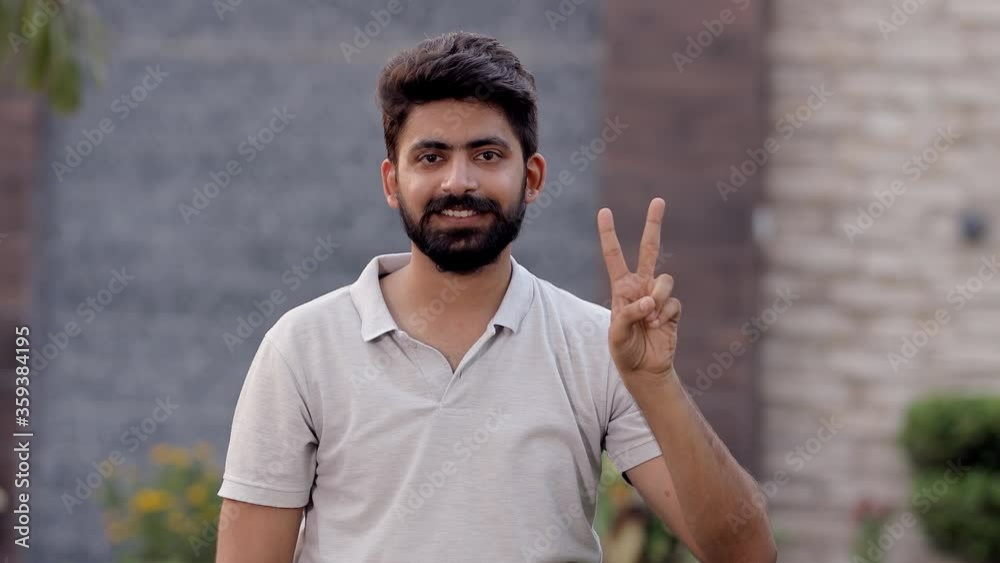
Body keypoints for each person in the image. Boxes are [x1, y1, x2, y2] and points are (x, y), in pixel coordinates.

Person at [215, 30, 776, 563]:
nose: (458, 182)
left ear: (532, 177)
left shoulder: (598, 346)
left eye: (486, 155)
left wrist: (655, 383)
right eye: (431, 157)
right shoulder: (303, 348)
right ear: (391, 182)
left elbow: (745, 553)